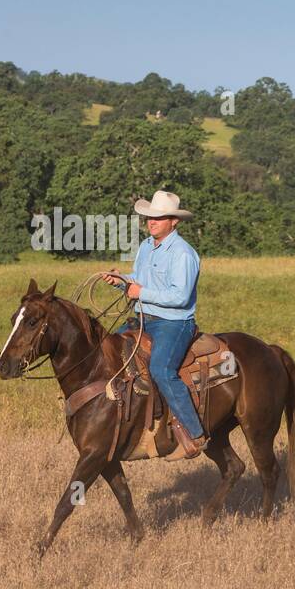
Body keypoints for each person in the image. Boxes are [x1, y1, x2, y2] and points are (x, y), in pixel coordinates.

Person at [102, 190, 207, 459]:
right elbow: (138, 278)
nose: (152, 221)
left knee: (162, 369)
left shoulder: (184, 254)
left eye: (159, 218)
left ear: (174, 221)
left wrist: (141, 293)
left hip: (173, 323)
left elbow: (180, 296)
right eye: (150, 217)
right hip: (141, 319)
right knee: (105, 352)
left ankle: (195, 433)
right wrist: (122, 280)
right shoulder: (147, 246)